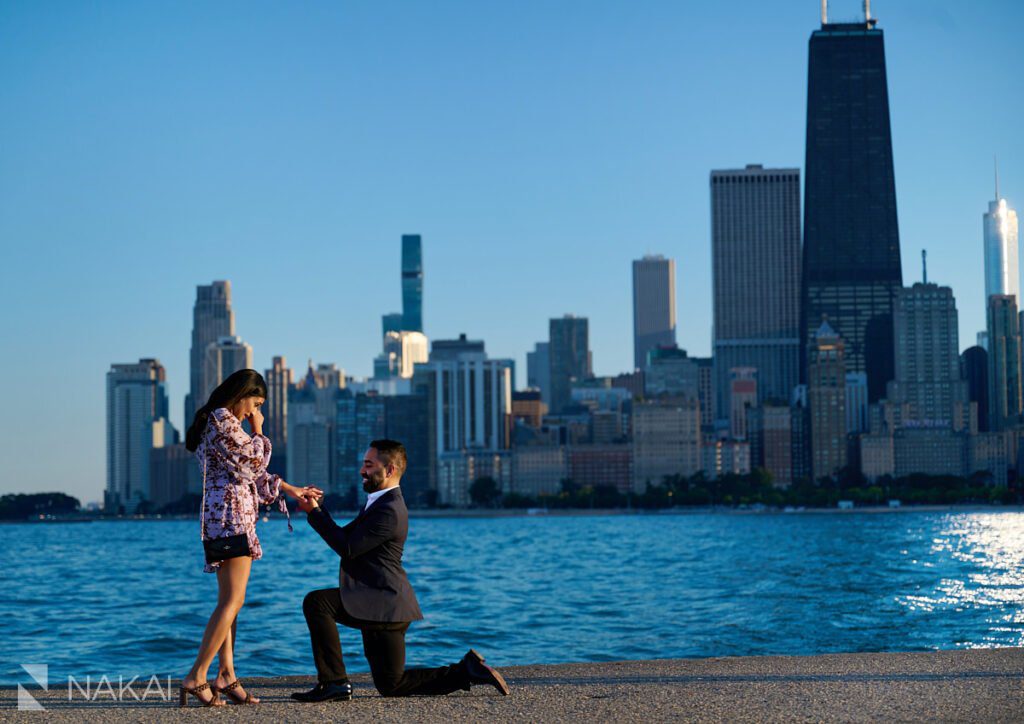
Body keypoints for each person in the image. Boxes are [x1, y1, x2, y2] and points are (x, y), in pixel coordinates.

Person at [291, 439, 510, 702]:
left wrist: (315, 513)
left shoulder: (389, 510)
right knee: (391, 685)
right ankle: (467, 671)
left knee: (317, 603)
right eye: (364, 464)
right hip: (379, 603)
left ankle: (334, 683)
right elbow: (344, 536)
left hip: (383, 603)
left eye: (369, 465)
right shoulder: (380, 503)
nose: (363, 470)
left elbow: (347, 547)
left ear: (390, 470)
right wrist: (318, 508)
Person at [179, 369, 323, 707]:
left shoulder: (220, 424)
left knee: (229, 601)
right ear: (241, 394)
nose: (253, 411)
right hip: (231, 517)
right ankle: (197, 675)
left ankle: (226, 674)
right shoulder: (222, 421)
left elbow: (252, 472)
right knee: (233, 601)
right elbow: (251, 462)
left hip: (222, 515)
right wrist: (260, 431)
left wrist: (290, 488)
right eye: (254, 403)